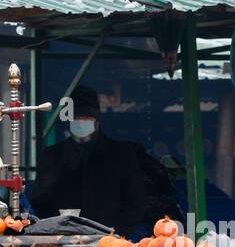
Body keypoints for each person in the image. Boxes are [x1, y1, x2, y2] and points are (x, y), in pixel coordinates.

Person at [29, 85, 175, 236]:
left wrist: (117, 234)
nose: (81, 122)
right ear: (69, 121)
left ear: (97, 121)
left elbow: (135, 202)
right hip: (62, 238)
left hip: (110, 242)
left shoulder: (122, 155)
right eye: (76, 118)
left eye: (86, 118)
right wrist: (57, 229)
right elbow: (39, 200)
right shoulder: (52, 156)